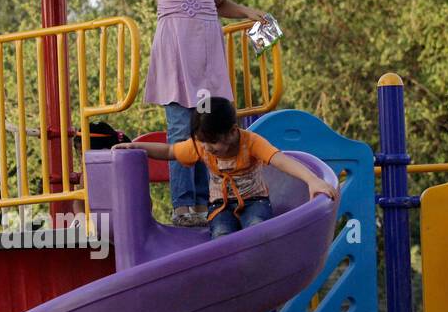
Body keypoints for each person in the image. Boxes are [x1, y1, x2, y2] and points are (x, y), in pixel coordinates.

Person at [116, 0, 274, 228]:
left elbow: (218, 4)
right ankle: (184, 206)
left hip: (206, 62)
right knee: (178, 133)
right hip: (175, 61)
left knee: (206, 132)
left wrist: (246, 12)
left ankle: (208, 200)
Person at [115, 97, 337, 236]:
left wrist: (312, 180)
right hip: (220, 206)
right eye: (202, 141)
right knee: (221, 232)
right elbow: (170, 151)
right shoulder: (200, 146)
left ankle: (258, 267)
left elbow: (280, 160)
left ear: (232, 132)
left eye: (212, 142)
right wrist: (136, 147)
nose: (207, 148)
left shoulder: (251, 142)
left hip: (254, 202)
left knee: (257, 226)